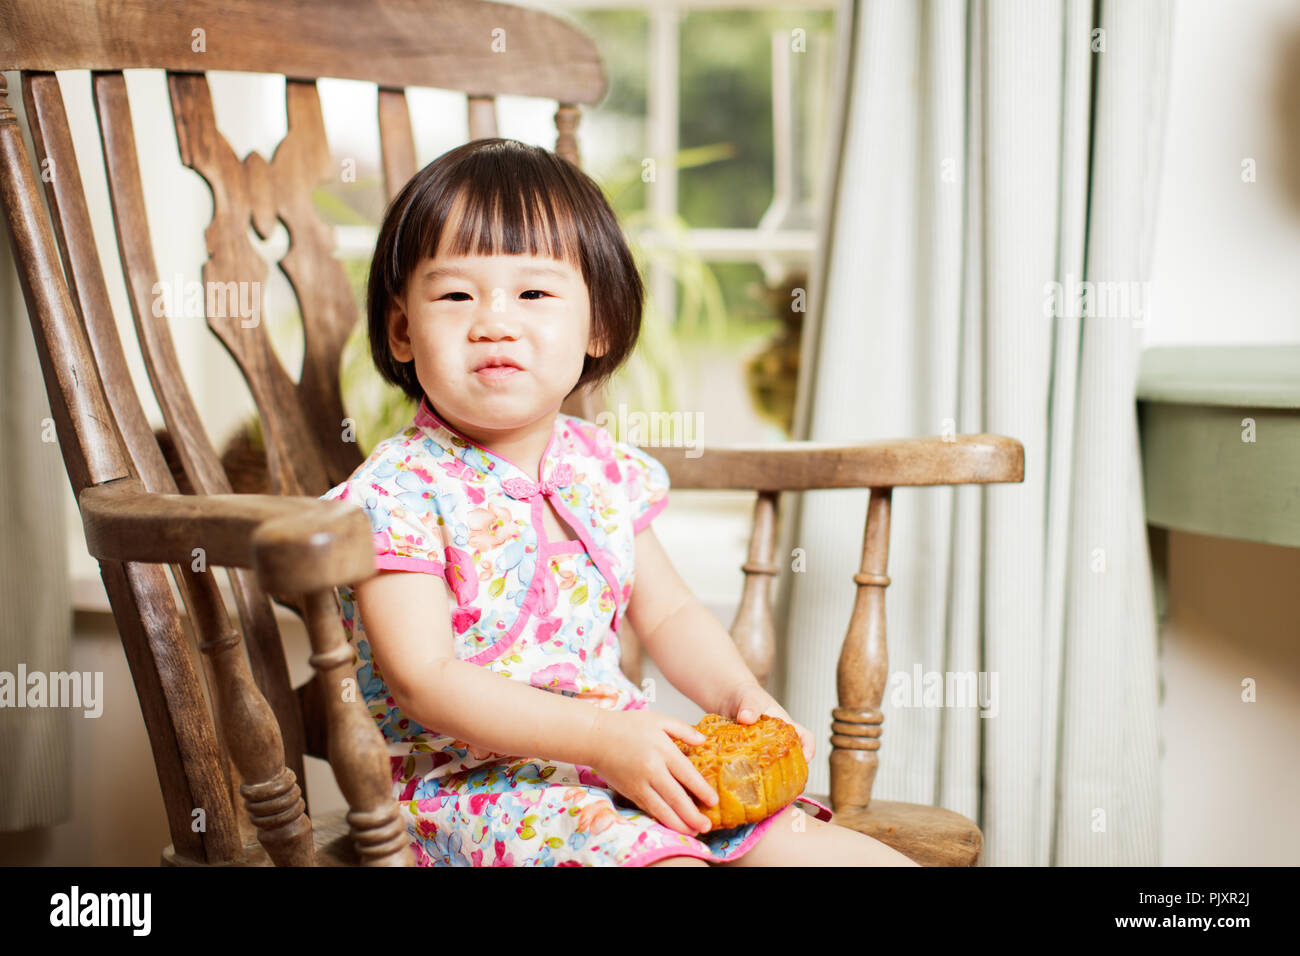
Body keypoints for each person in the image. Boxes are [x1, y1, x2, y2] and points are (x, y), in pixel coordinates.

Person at [320, 137, 918, 867]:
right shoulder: (397, 491)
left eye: (534, 293)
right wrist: (605, 740)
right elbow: (425, 679)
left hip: (623, 765)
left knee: (854, 859)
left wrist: (740, 696)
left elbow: (668, 614)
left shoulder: (601, 467)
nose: (494, 321)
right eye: (455, 295)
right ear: (403, 331)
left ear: (597, 325)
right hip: (474, 793)